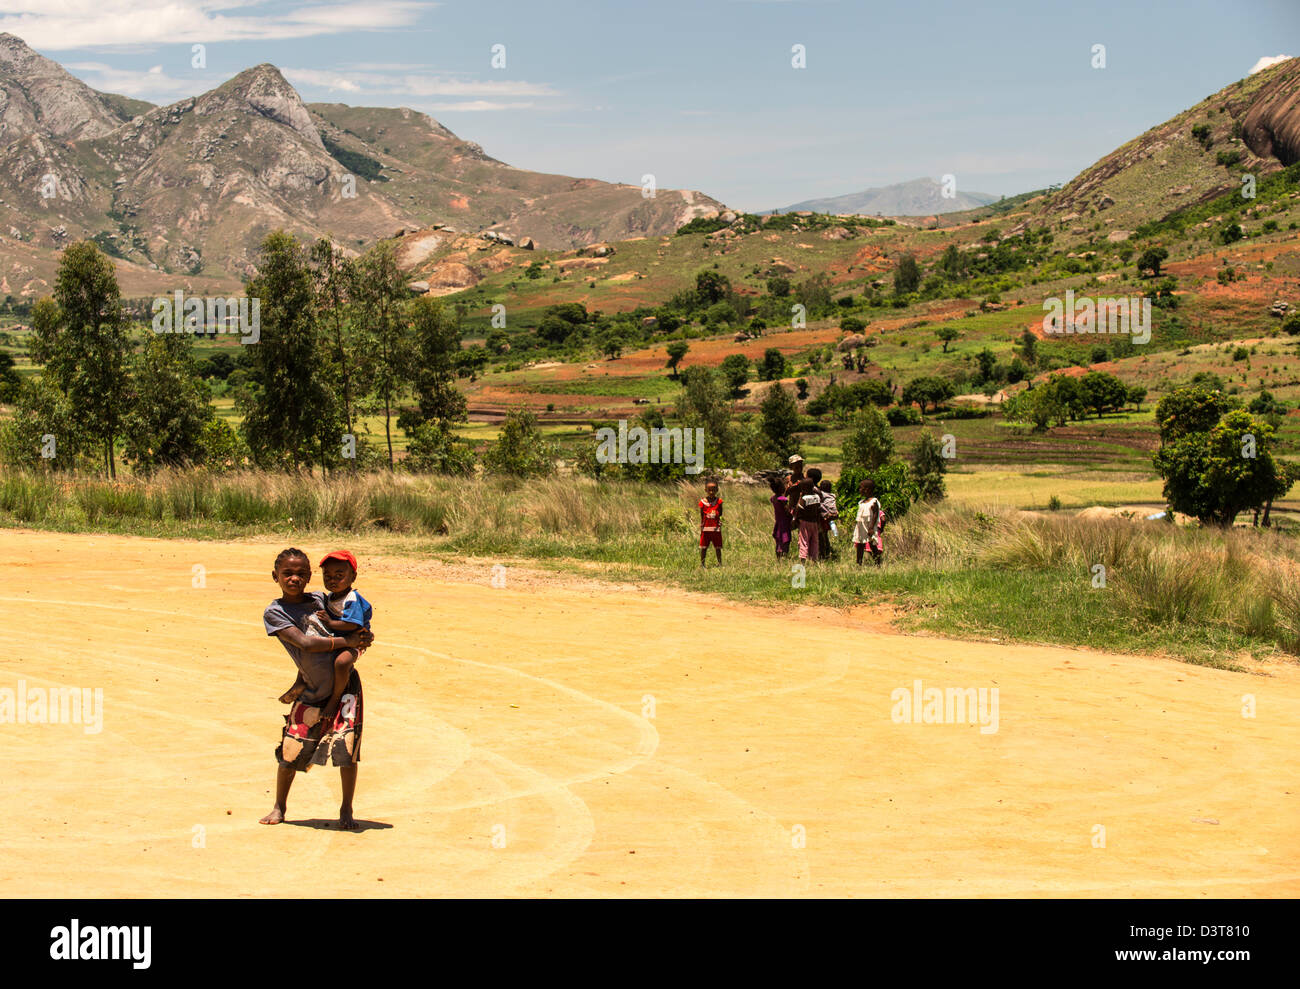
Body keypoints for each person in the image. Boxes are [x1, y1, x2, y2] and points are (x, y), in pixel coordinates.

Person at [260, 548, 372, 830]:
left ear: (310, 577)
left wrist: (364, 636)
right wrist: (348, 642)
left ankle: (346, 809)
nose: (294, 579)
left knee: (347, 750)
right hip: (311, 689)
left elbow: (355, 621)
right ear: (276, 577)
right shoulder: (275, 612)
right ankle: (279, 807)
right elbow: (306, 644)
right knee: (290, 749)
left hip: (345, 689)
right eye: (287, 574)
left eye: (301, 574)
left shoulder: (321, 599)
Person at [853, 479, 885, 566]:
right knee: (860, 545)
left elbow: (875, 515)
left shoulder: (874, 502)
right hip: (861, 527)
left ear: (867, 489)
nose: (859, 489)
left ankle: (878, 563)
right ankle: (858, 563)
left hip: (869, 527)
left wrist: (871, 528)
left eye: (861, 488)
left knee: (872, 545)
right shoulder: (861, 502)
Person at [792, 476, 823, 563]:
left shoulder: (804, 498)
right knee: (814, 541)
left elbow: (799, 509)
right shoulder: (817, 497)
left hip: (805, 523)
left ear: (804, 489)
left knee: (804, 541)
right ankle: (814, 559)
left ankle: (803, 559)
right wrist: (818, 522)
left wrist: (796, 519)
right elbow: (818, 510)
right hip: (814, 523)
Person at [699, 479, 723, 567]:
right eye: (709, 490)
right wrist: (702, 523)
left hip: (716, 528)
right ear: (705, 490)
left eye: (713, 490)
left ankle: (720, 563)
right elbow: (702, 514)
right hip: (706, 528)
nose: (711, 492)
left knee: (718, 547)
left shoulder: (719, 502)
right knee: (704, 547)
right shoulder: (702, 502)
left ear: (717, 490)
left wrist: (719, 520)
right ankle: (702, 564)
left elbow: (720, 513)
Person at [768, 476, 791, 559]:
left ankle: (778, 555)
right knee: (785, 539)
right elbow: (787, 511)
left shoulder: (773, 498)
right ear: (781, 488)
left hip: (778, 522)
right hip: (785, 522)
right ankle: (784, 554)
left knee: (778, 540)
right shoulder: (783, 499)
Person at [818, 478, 840, 559]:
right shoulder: (832, 495)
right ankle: (827, 551)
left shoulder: (820, 494)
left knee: (821, 536)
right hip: (831, 517)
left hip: (824, 517)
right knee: (825, 535)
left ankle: (823, 553)